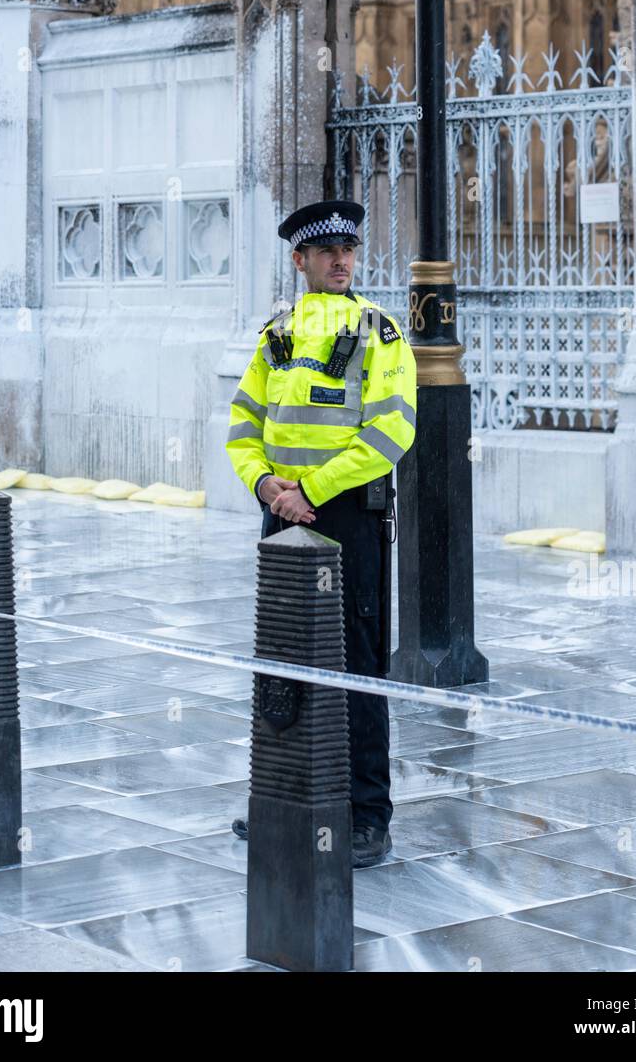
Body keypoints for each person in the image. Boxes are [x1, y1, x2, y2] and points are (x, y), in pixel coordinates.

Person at [225, 199, 417, 868]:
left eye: (349, 249)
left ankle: (366, 816)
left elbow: (391, 431)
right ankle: (283, 795)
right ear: (299, 259)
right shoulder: (274, 333)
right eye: (327, 251)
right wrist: (264, 486)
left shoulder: (378, 331)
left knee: (358, 668)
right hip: (280, 512)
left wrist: (308, 491)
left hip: (345, 520)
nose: (342, 260)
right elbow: (243, 427)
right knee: (282, 659)